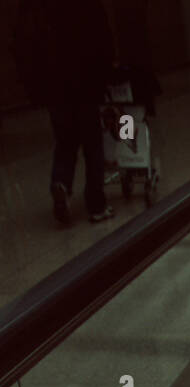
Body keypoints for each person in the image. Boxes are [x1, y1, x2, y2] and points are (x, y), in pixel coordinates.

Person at [13, 0, 116, 225]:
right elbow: (103, 39)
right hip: (85, 83)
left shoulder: (40, 7)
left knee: (65, 141)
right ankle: (96, 204)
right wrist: (106, 74)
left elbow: (25, 42)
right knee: (92, 145)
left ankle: (61, 182)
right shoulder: (87, 6)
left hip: (54, 87)